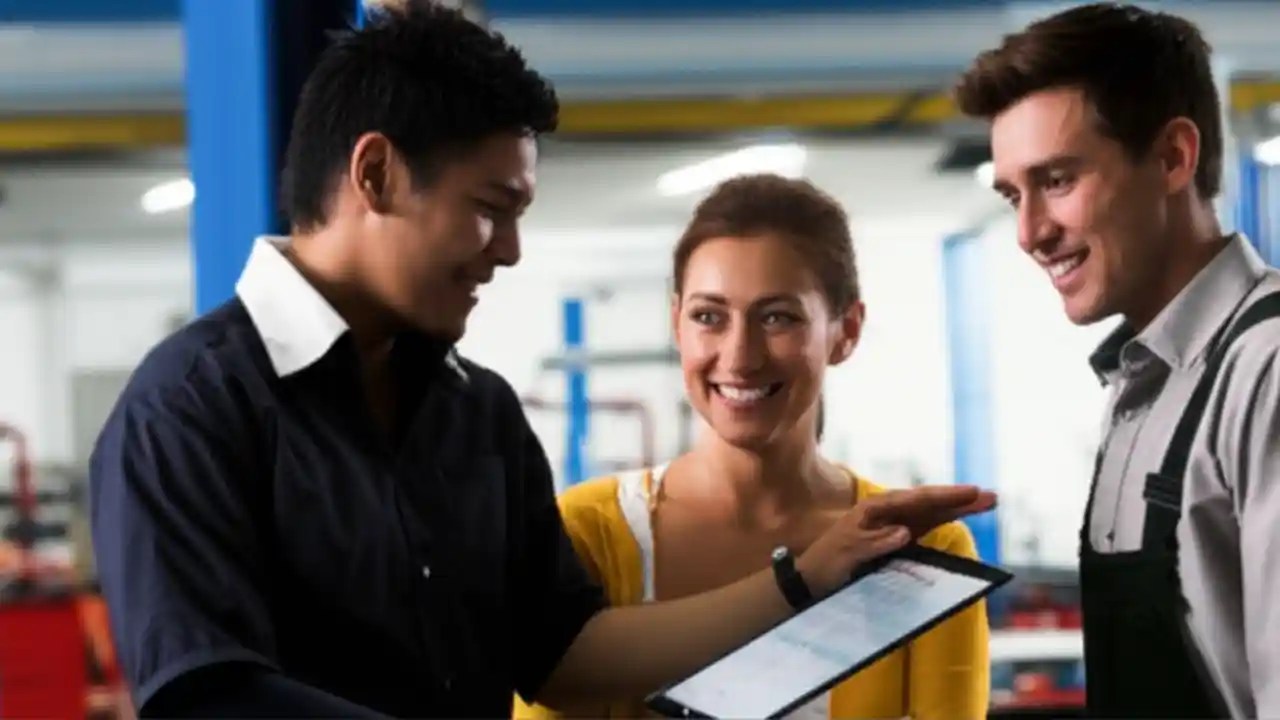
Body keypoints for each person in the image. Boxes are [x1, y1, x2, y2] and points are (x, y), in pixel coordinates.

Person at [87, 2, 996, 717]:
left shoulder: (474, 413)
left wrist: (805, 577)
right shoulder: (191, 409)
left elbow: (566, 659)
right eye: (492, 206)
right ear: (375, 175)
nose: (510, 250)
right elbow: (209, 697)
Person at [513, 175, 990, 720]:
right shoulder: (589, 531)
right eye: (708, 317)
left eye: (778, 317)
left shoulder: (919, 551)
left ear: (846, 331)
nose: (739, 356)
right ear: (676, 324)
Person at [955, 3, 1280, 718]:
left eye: (1059, 181)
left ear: (1172, 158)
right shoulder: (1144, 382)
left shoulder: (1266, 369)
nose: (1029, 232)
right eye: (1014, 194)